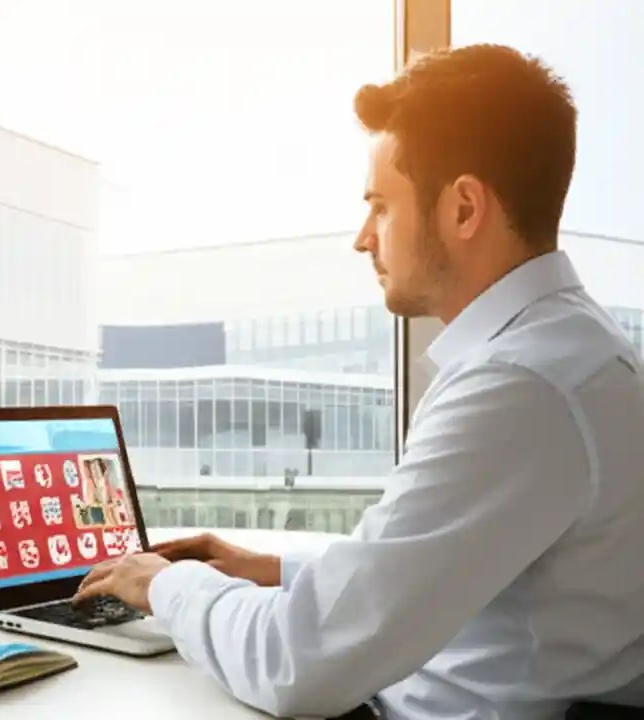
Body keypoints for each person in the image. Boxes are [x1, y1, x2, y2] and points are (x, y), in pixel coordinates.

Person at [73, 43, 644, 719]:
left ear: (464, 209)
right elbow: (446, 570)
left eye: (381, 206)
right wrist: (273, 569)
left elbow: (298, 665)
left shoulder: (519, 387)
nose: (363, 237)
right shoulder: (575, 349)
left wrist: (168, 586)